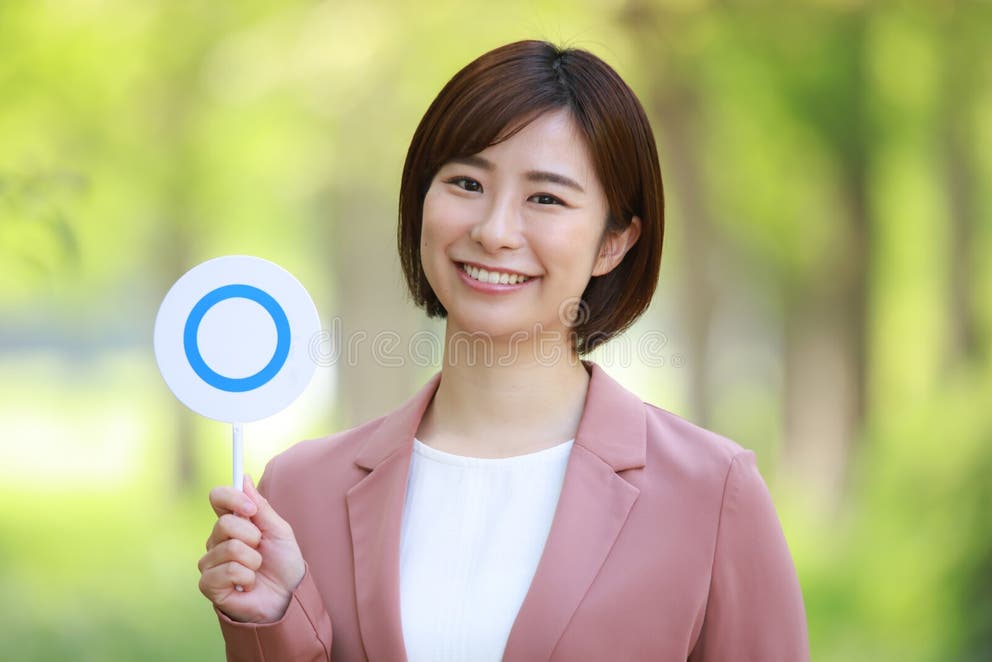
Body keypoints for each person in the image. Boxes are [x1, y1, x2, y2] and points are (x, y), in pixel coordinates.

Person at [197, 40, 809, 662]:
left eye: (545, 198)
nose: (493, 231)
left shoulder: (710, 494)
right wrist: (271, 621)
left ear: (614, 243)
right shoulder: (300, 492)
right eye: (465, 183)